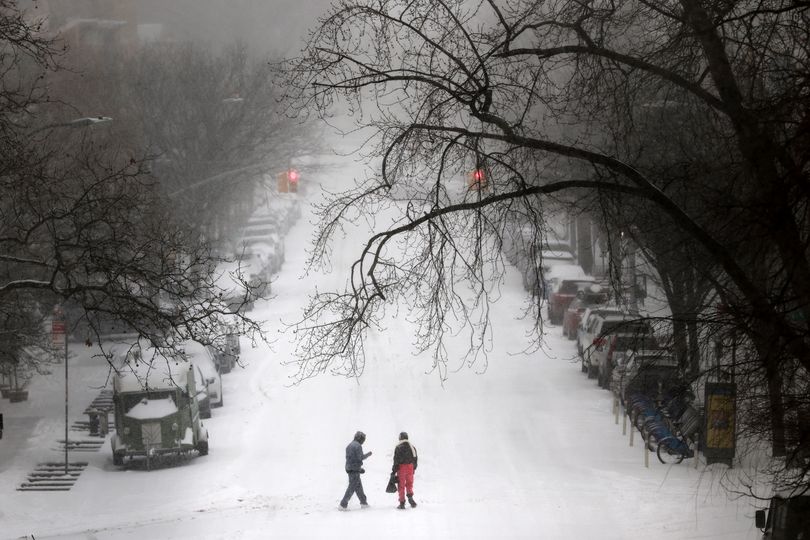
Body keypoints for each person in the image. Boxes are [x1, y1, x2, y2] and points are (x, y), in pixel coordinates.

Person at [339, 430, 372, 510]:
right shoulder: (357, 446)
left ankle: (364, 502)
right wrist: (368, 454)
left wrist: (359, 469)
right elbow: (360, 457)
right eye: (363, 440)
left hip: (349, 468)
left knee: (358, 487)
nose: (363, 442)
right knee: (352, 487)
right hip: (354, 469)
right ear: (360, 438)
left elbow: (351, 458)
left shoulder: (349, 445)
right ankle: (343, 504)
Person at [392, 431, 418, 509]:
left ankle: (402, 503)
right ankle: (411, 500)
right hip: (410, 467)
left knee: (401, 485)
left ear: (400, 438)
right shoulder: (412, 447)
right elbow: (415, 459)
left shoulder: (398, 447)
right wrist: (413, 468)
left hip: (402, 468)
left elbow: (396, 460)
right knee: (409, 484)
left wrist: (394, 470)